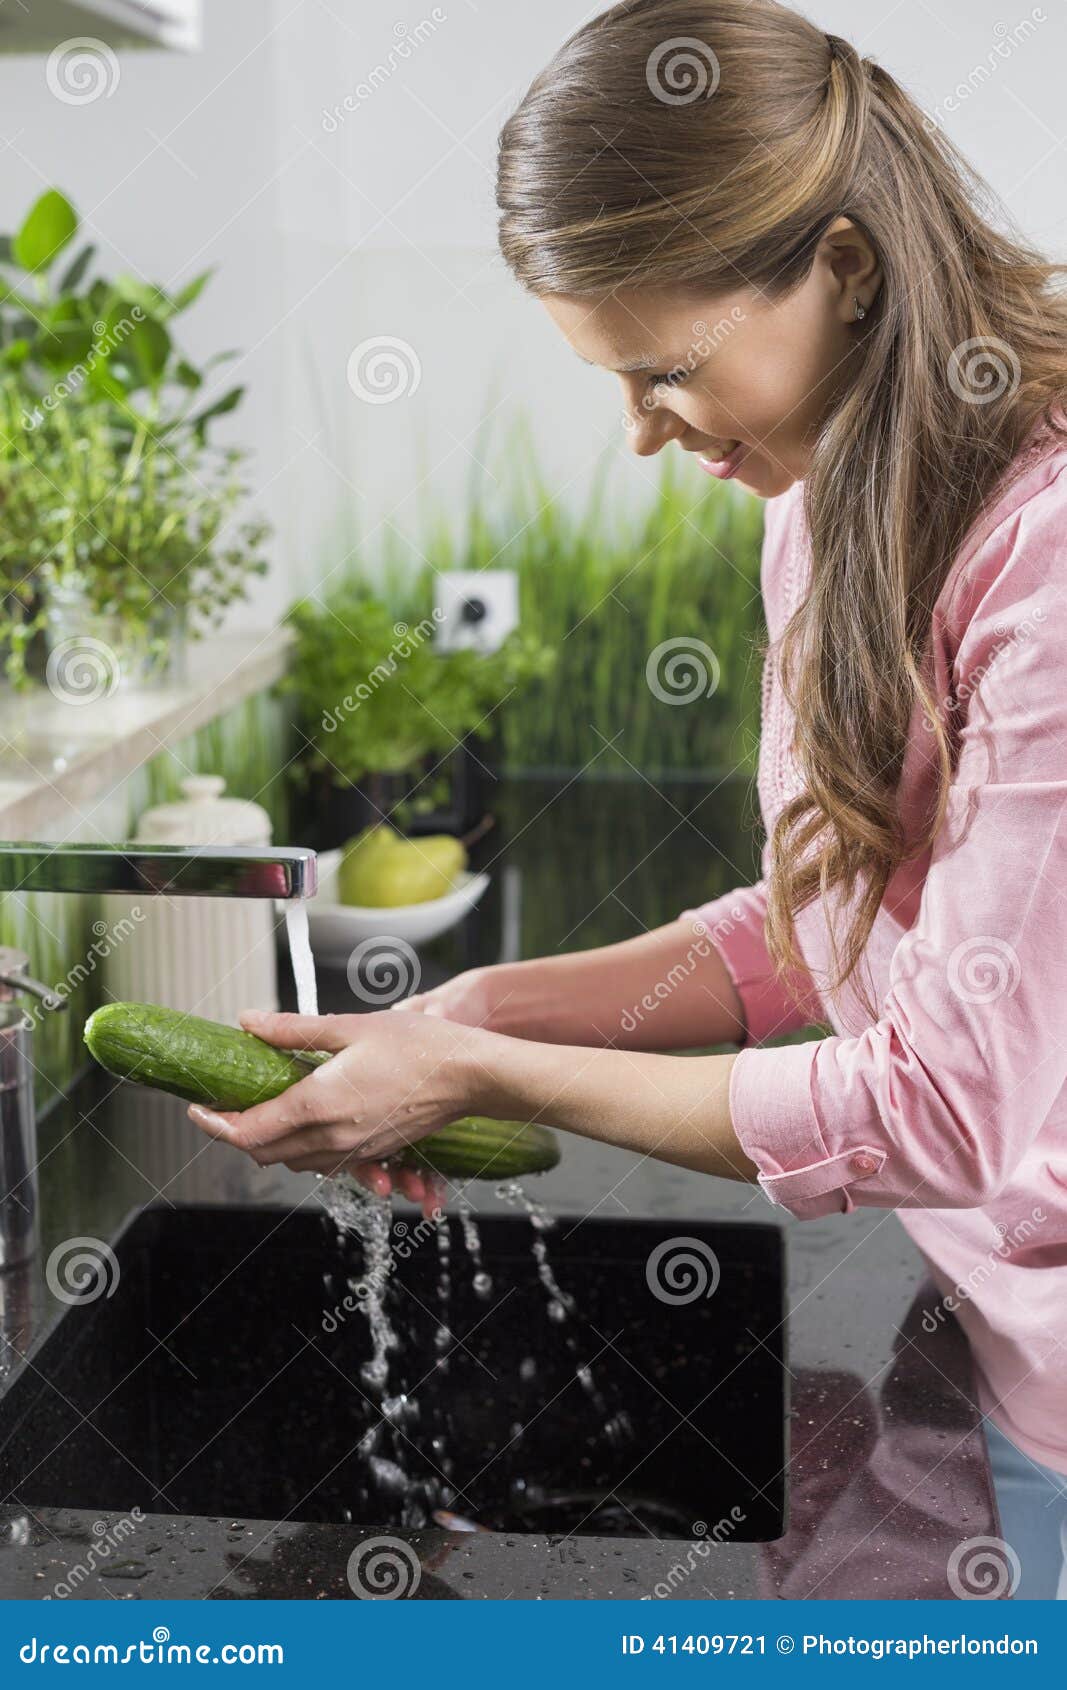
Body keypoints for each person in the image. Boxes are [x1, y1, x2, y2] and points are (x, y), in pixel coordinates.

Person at [190, 1, 1067, 1597]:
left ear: (848, 268)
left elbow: (950, 1100)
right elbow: (827, 925)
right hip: (997, 1335)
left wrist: (489, 1073)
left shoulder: (1049, 543)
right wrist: (484, 1007)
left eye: (665, 370)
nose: (644, 435)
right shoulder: (821, 496)